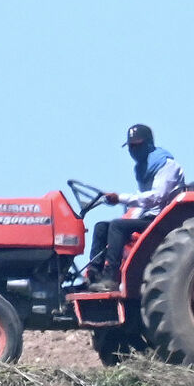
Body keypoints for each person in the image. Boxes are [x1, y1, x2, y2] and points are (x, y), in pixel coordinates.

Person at [79, 124, 186, 289]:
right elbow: (141, 201)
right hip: (146, 218)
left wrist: (120, 198)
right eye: (130, 147)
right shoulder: (143, 168)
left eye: (137, 146)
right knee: (102, 227)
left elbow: (156, 198)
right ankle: (93, 274)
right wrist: (122, 209)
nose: (133, 150)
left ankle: (111, 278)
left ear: (148, 144)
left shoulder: (166, 165)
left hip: (162, 220)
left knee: (117, 226)